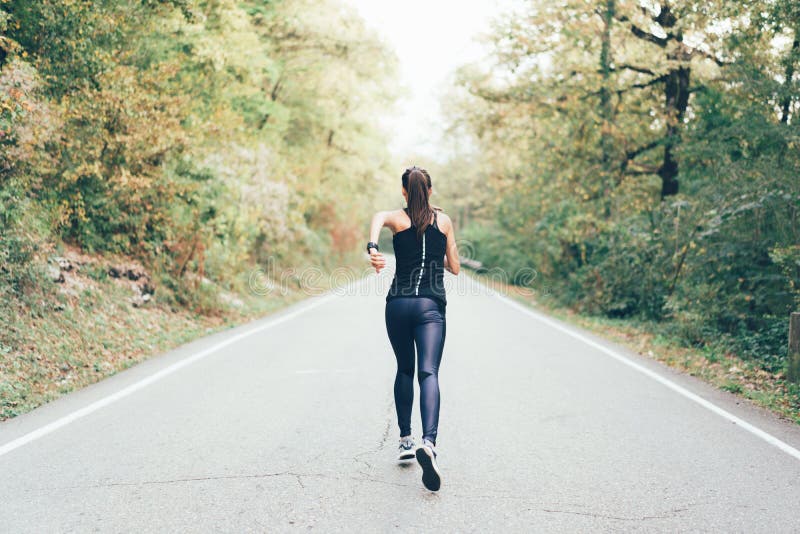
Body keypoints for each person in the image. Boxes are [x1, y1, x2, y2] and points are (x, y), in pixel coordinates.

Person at [366, 166, 460, 492]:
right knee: (428, 373)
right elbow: (456, 268)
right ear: (430, 191)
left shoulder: (397, 219)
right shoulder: (443, 222)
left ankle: (405, 441)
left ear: (404, 192)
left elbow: (378, 216)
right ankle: (428, 443)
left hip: (398, 305)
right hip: (430, 306)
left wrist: (373, 248)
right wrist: (438, 255)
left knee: (404, 370)